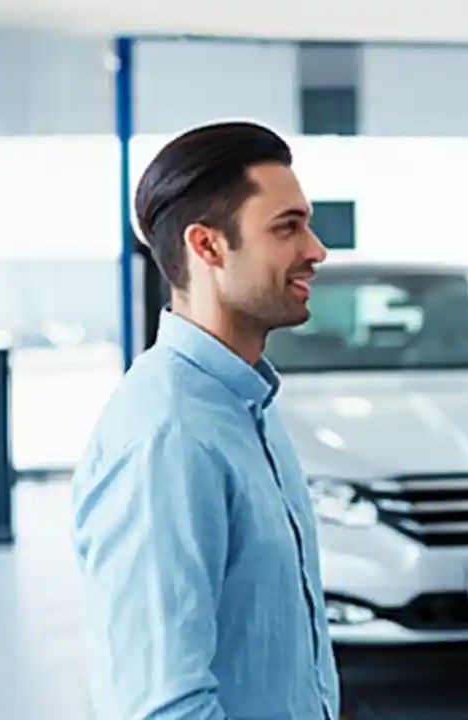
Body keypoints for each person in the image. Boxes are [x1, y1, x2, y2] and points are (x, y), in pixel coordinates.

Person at [70, 121, 340, 719]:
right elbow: (162, 706)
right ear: (208, 246)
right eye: (287, 227)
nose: (316, 250)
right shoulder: (167, 436)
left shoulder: (248, 408)